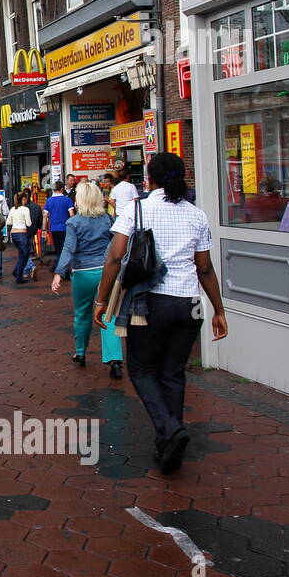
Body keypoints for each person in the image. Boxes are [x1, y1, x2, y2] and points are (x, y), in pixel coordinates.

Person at [93, 152, 228, 476]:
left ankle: (170, 429)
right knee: (173, 373)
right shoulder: (196, 214)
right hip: (189, 305)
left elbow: (115, 257)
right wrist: (218, 311)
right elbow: (205, 268)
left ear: (149, 179)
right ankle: (168, 445)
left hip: (150, 302)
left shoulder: (137, 209)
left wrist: (101, 300)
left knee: (141, 370)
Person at [51, 181, 123, 378]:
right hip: (106, 270)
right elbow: (116, 244)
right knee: (109, 314)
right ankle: (114, 359)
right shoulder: (107, 219)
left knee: (82, 314)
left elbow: (69, 249)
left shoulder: (74, 223)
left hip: (82, 272)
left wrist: (59, 273)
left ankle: (81, 352)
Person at [43, 182, 74, 263]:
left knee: (58, 248)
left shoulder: (49, 200)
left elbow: (45, 215)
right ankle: (64, 267)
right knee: (66, 248)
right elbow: (72, 214)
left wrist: (44, 229)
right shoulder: (67, 200)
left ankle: (59, 266)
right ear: (62, 189)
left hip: (53, 228)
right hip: (65, 228)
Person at [6, 192, 33, 283]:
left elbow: (8, 222)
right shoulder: (25, 209)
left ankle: (17, 272)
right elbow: (29, 223)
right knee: (24, 255)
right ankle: (18, 276)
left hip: (14, 234)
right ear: (22, 200)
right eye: (25, 199)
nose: (26, 201)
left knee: (22, 254)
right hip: (22, 234)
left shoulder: (13, 209)